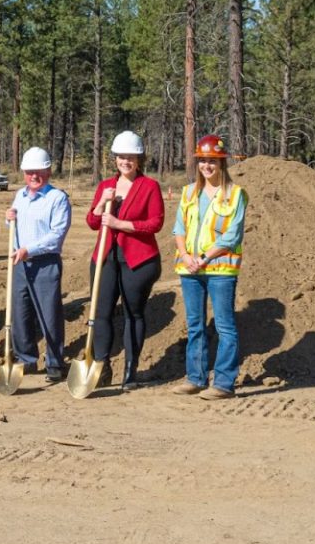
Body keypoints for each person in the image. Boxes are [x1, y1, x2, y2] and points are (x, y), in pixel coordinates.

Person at [85, 130, 165, 390]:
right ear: (115, 159)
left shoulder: (149, 186)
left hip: (137, 260)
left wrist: (121, 223)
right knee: (101, 313)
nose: (125, 161)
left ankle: (131, 370)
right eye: (121, 157)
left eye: (131, 157)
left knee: (133, 314)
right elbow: (92, 222)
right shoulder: (105, 187)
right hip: (106, 258)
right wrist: (100, 206)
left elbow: (155, 223)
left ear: (139, 159)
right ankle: (101, 366)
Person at [172, 133, 249, 400]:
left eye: (212, 161)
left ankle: (224, 383)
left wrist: (203, 257)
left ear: (222, 163)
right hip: (190, 269)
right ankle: (196, 378)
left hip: (220, 269)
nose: (207, 166)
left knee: (225, 326)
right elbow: (179, 228)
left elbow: (232, 235)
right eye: (203, 160)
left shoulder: (235, 194)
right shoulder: (188, 192)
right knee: (195, 325)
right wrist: (184, 256)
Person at [4, 147, 71, 382]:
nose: (34, 176)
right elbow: (13, 225)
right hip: (20, 263)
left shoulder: (57, 198)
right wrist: (8, 218)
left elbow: (56, 235)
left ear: (49, 171)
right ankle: (26, 359)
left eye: (39, 171)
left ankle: (54, 363)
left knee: (49, 314)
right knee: (20, 312)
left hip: (45, 263)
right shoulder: (20, 196)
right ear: (24, 172)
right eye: (30, 172)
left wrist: (28, 250)